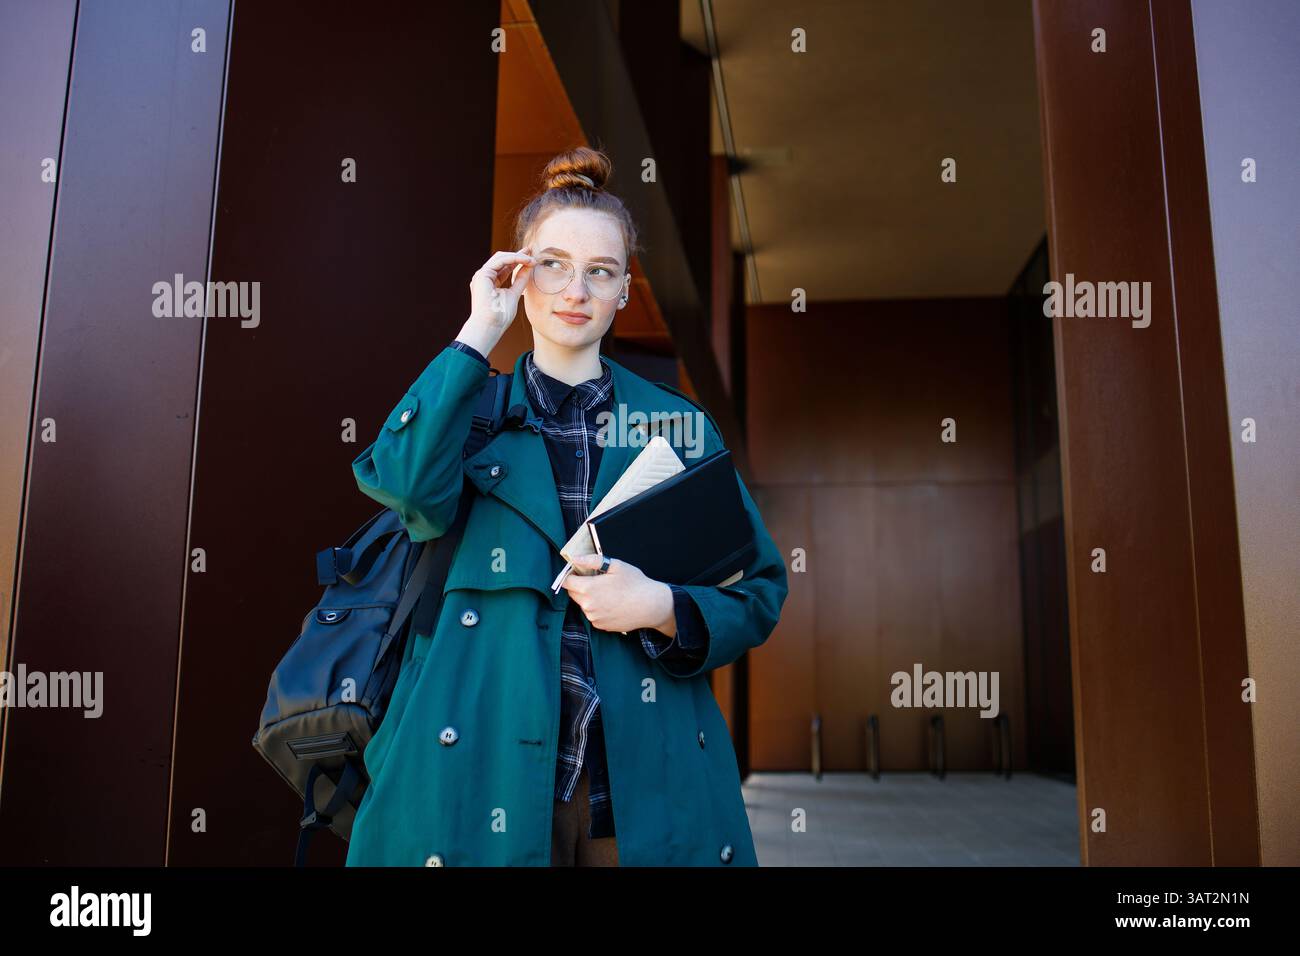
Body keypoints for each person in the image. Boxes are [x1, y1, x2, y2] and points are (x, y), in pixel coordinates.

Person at [344, 146, 788, 867]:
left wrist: (663, 606)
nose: (575, 288)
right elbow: (404, 489)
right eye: (552, 263)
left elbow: (761, 590)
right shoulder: (468, 408)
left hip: (640, 794)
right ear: (519, 271)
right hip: (478, 779)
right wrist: (478, 331)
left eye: (600, 271)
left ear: (622, 291)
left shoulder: (677, 426)